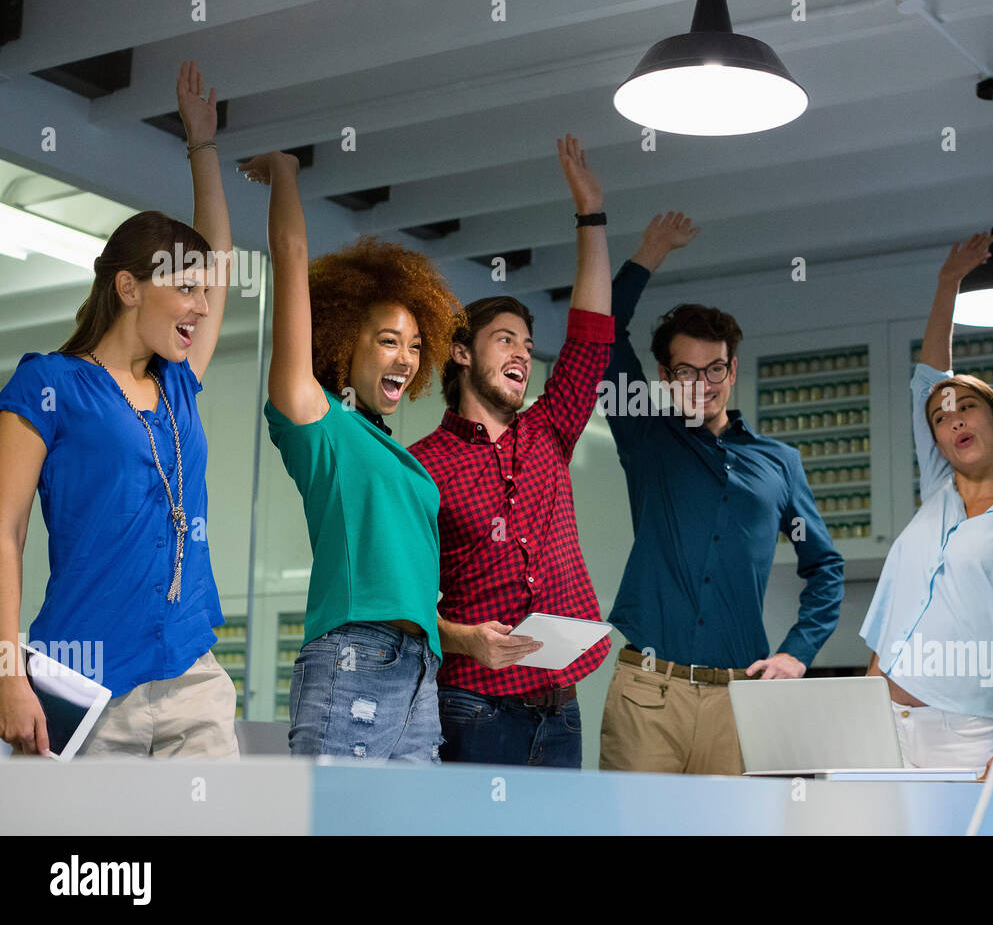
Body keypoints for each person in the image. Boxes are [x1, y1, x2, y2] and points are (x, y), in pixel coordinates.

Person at [0, 62, 238, 758]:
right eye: (183, 288)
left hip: (191, 671)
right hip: (84, 683)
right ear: (130, 287)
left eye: (204, 292)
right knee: (100, 869)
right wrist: (8, 670)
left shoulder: (180, 383)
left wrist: (203, 146)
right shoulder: (51, 387)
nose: (200, 303)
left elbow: (219, 257)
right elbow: (5, 531)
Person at [596, 212, 844, 775]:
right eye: (686, 371)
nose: (702, 385)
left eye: (714, 370)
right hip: (647, 697)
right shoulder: (644, 436)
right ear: (663, 375)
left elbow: (825, 568)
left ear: (732, 370)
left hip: (739, 700)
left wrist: (798, 653)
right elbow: (601, 330)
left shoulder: (780, 464)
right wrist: (648, 253)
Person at [238, 149, 461, 762]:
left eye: (416, 345)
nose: (406, 358)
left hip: (420, 670)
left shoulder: (392, 449)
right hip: (355, 657)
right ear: (344, 341)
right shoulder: (320, 423)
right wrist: (285, 174)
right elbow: (290, 260)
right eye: (388, 341)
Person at [407, 135, 612, 768]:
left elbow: (591, 335)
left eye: (527, 343)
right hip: (474, 707)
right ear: (463, 353)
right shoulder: (421, 464)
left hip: (562, 704)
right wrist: (463, 639)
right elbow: (399, 595)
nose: (523, 352)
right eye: (505, 340)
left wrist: (592, 214)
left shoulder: (552, 428)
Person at [861, 233, 993, 776]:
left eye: (968, 408)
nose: (953, 417)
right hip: (874, 725)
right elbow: (928, 381)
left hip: (968, 736)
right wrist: (947, 284)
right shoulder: (938, 489)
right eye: (940, 417)